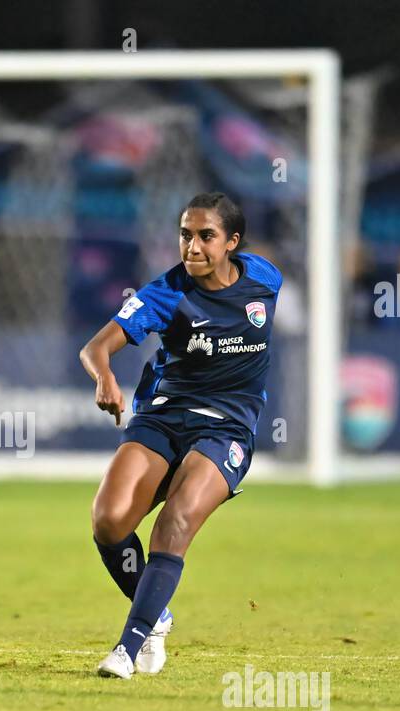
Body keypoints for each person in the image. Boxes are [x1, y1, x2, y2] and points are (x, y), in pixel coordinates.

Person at [79, 192, 281, 679]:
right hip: (165, 416)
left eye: (206, 236)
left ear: (231, 242)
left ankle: (128, 648)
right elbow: (95, 348)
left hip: (228, 424)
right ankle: (158, 617)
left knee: (177, 519)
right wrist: (104, 377)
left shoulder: (264, 279)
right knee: (108, 522)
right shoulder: (164, 294)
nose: (192, 246)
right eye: (185, 235)